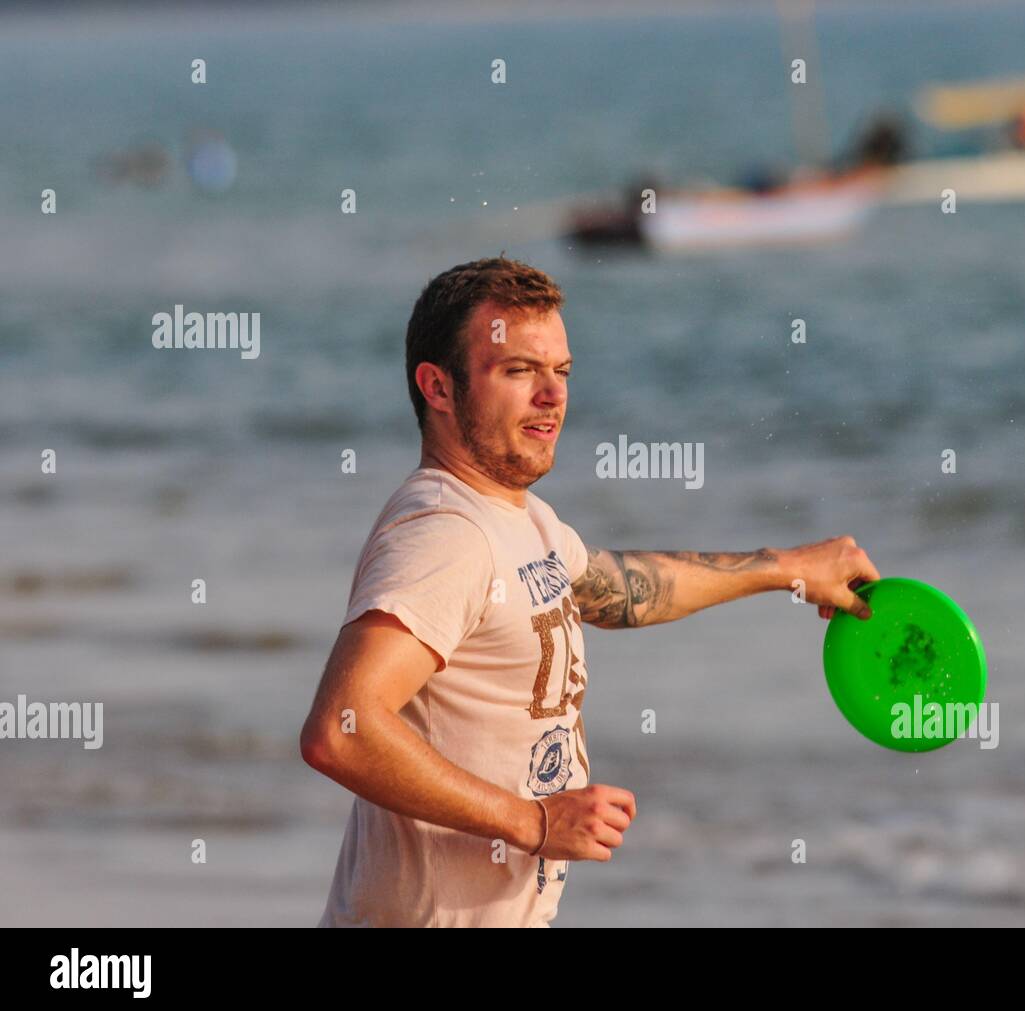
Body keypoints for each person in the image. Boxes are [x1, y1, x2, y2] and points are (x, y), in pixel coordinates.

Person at [300, 256, 880, 927]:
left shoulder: (522, 520)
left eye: (561, 373)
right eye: (518, 371)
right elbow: (341, 731)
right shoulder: (444, 536)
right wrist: (532, 821)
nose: (552, 396)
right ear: (438, 386)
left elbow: (624, 590)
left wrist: (784, 567)